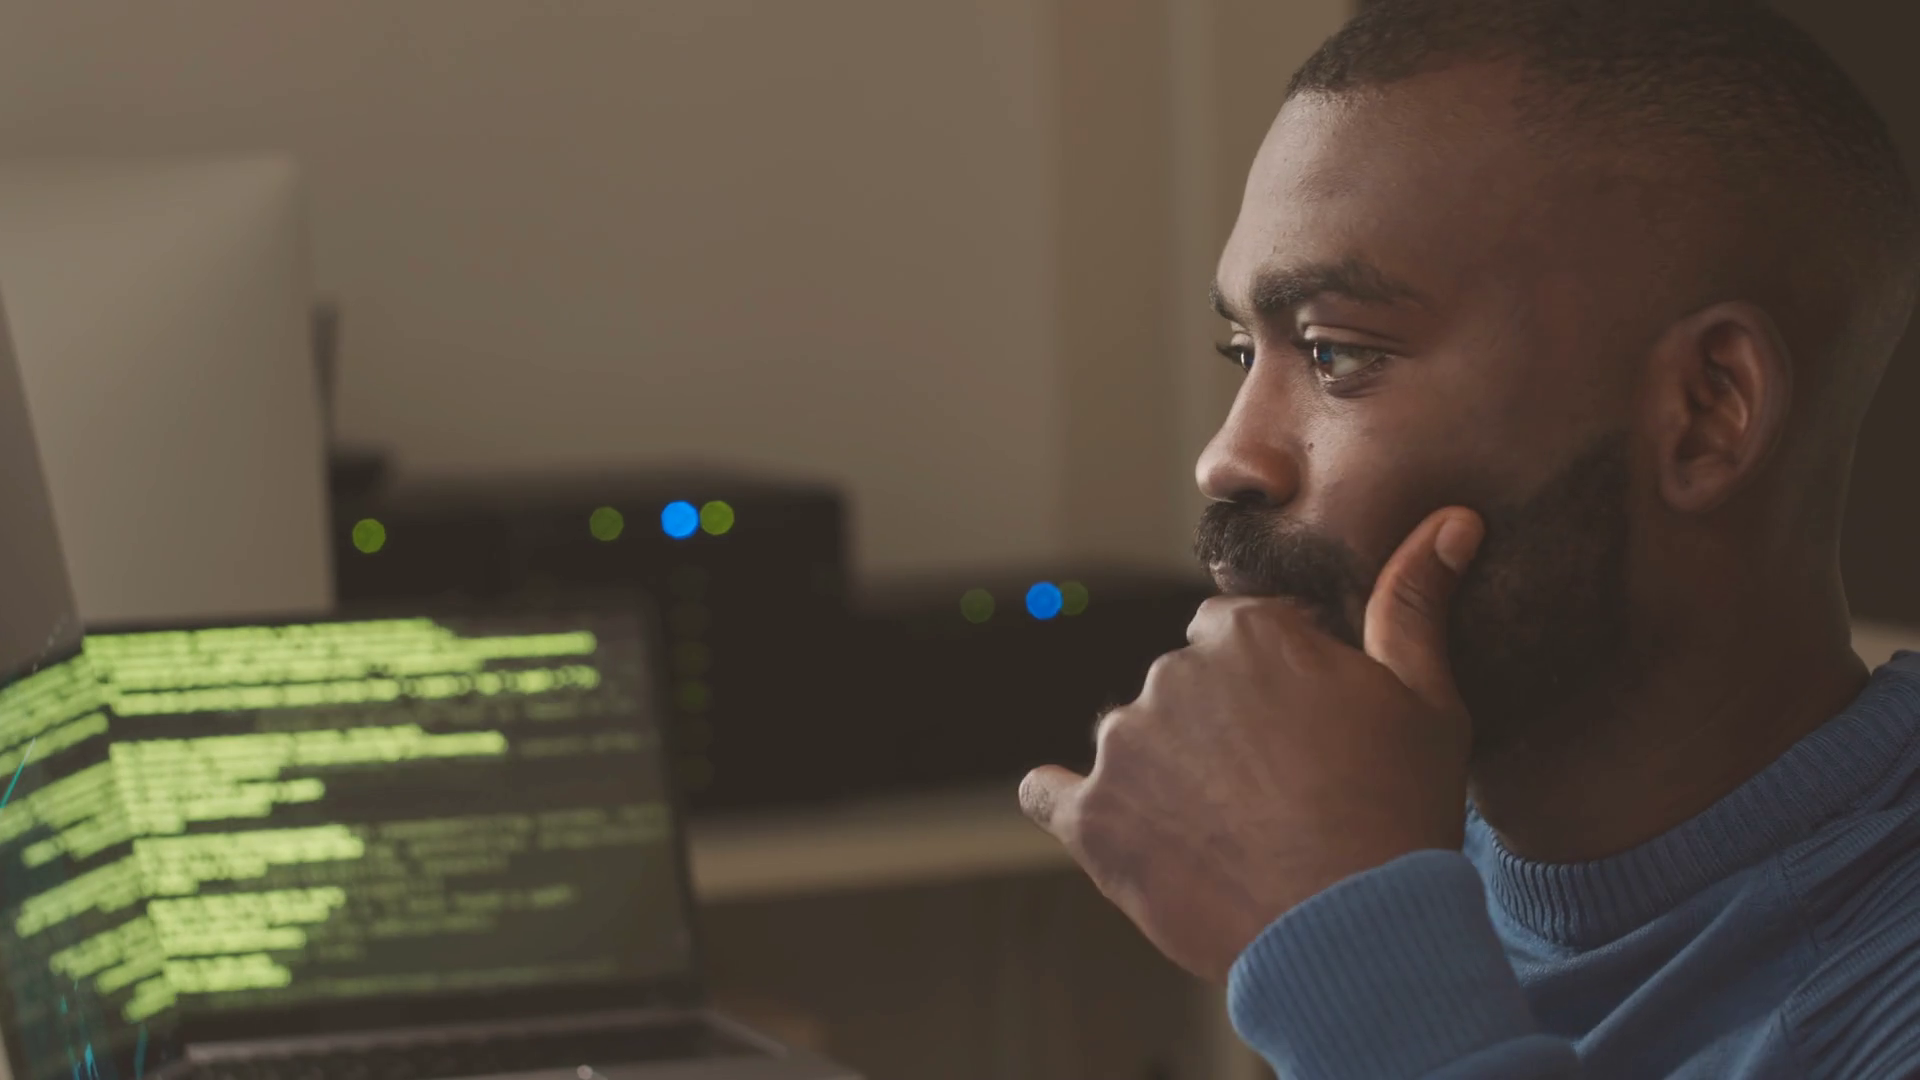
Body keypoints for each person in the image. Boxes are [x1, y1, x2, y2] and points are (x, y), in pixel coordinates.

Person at [1017, 0, 1920, 1076]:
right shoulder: (1391, 832)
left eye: (1336, 351)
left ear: (1704, 412)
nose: (1226, 459)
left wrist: (1347, 941)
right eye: (1242, 353)